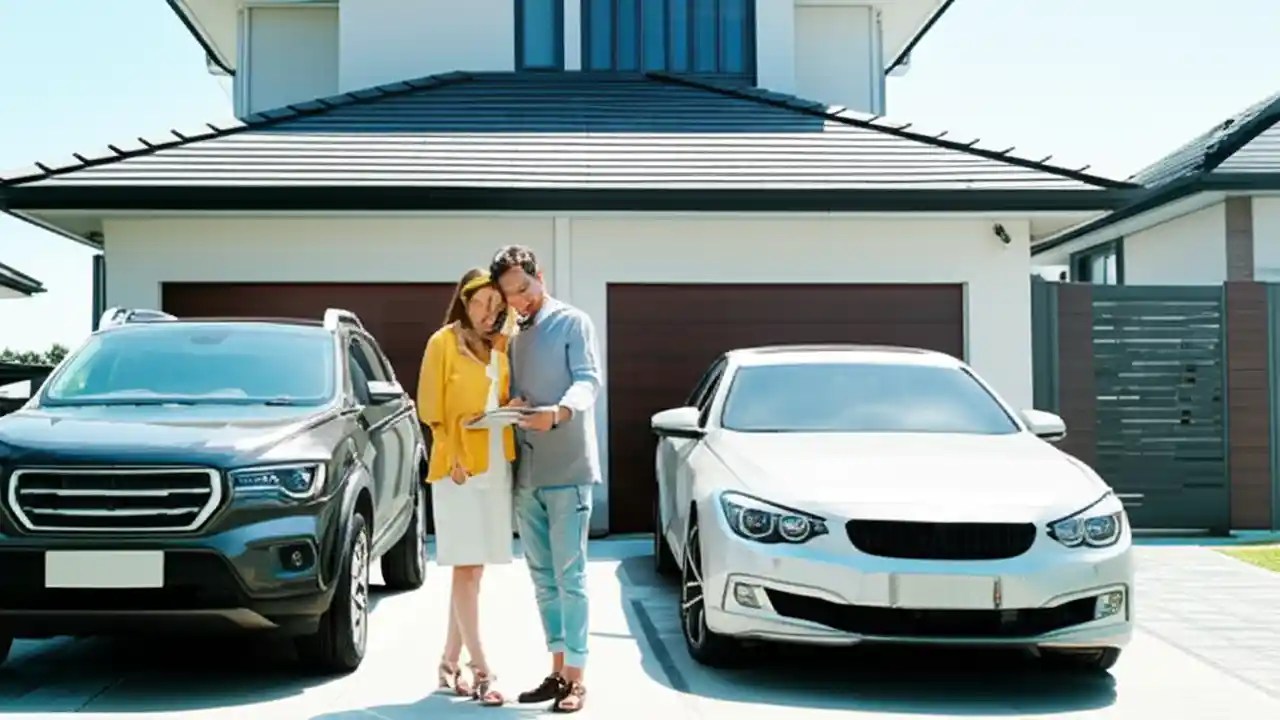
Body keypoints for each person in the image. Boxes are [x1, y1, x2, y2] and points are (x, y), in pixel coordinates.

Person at [489, 245, 602, 714]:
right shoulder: (512, 335)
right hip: (526, 474)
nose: (518, 301)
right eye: (510, 295)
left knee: (570, 578)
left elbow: (588, 380)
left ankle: (578, 679)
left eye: (523, 290)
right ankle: (557, 672)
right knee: (542, 579)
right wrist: (511, 403)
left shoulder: (573, 322)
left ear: (541, 277)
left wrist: (557, 413)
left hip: (569, 469)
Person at [417, 267, 517, 707]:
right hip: (458, 467)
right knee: (465, 565)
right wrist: (453, 454)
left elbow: (498, 401)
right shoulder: (443, 342)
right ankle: (483, 671)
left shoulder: (500, 348)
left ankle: (447, 663)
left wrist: (512, 406)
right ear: (465, 300)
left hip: (495, 463)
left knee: (474, 570)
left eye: (496, 306)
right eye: (480, 302)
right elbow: (429, 408)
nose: (487, 312)